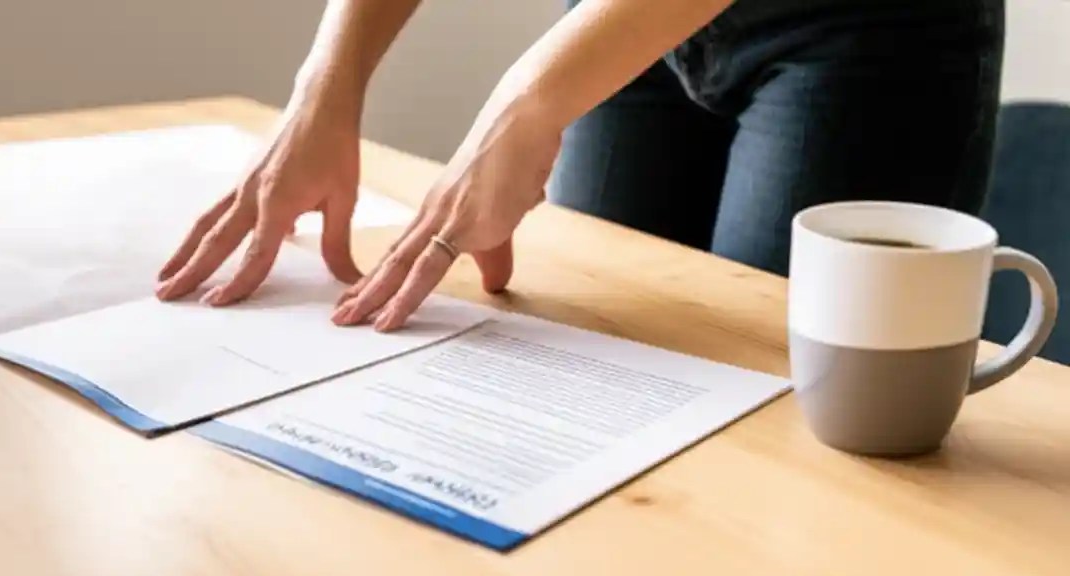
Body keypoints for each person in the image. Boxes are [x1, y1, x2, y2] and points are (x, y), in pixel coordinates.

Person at [155, 0, 1004, 332]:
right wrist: (325, 85)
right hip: (610, 17)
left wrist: (527, 103)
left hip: (862, 30)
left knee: (789, 376)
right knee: (581, 335)